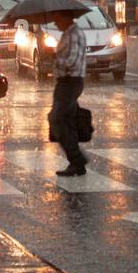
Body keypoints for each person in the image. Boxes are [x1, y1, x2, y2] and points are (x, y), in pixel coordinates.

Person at [47, 11, 89, 177]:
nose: (56, 23)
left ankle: (77, 158)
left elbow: (71, 62)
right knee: (66, 120)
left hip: (70, 82)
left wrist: (55, 57)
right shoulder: (69, 33)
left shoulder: (73, 34)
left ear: (66, 17)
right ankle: (76, 162)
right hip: (66, 82)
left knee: (57, 119)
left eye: (57, 19)